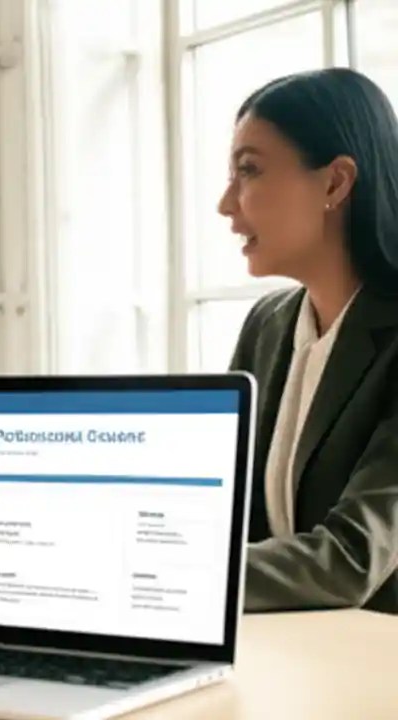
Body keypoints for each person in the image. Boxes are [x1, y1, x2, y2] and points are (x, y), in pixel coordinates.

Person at [219, 67, 398, 613]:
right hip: (287, 655)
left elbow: (350, 560)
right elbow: (225, 515)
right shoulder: (267, 325)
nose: (227, 203)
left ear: (335, 183)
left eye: (249, 170)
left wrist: (172, 580)